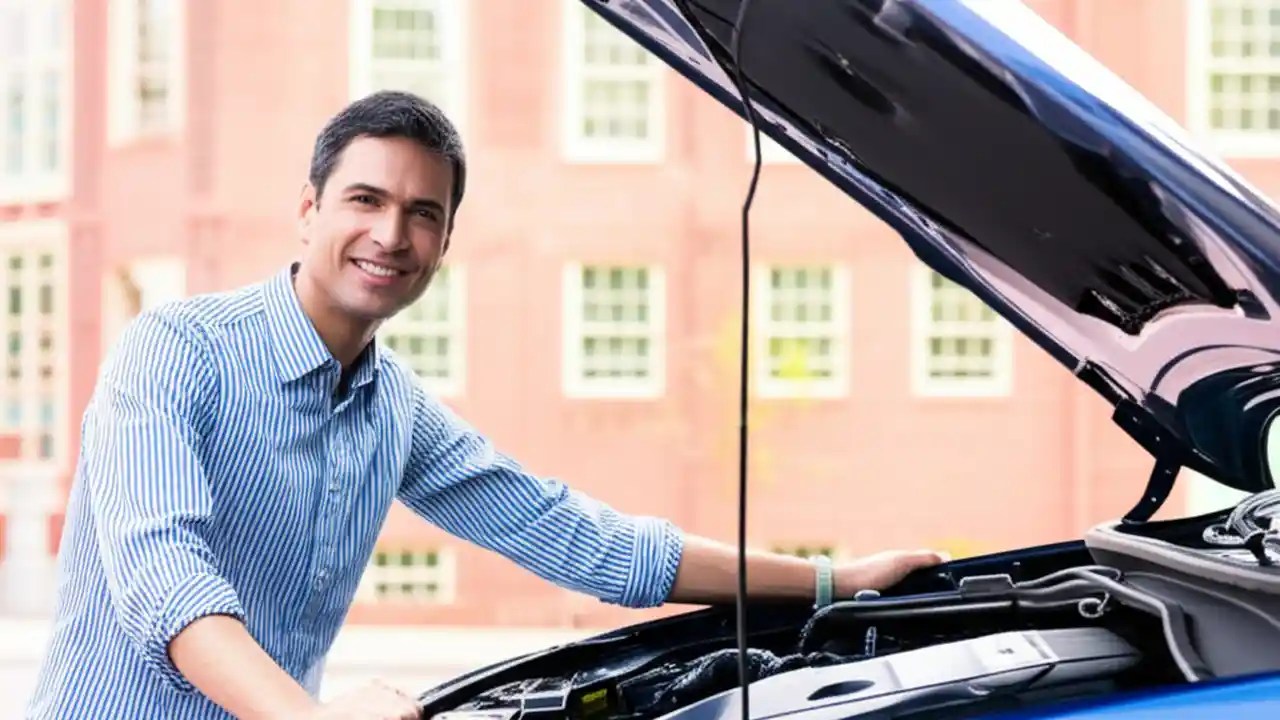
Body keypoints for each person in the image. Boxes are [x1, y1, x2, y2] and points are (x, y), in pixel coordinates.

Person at [25, 91, 948, 720]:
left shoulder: (394, 410)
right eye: (365, 199)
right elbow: (165, 582)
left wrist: (837, 582)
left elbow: (586, 540)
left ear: (445, 242)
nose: (391, 234)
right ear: (307, 209)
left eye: (422, 213)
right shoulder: (175, 349)